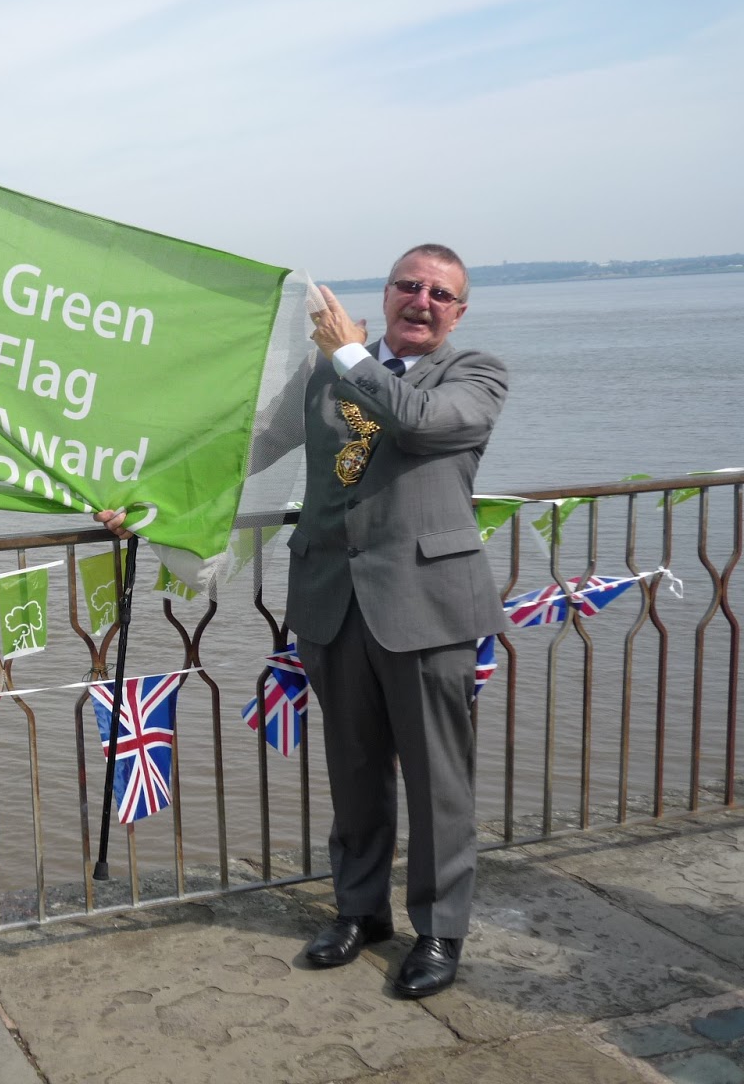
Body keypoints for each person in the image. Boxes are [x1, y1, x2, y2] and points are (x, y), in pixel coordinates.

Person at [99, 243, 506, 999]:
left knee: (437, 781)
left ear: (459, 311)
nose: (421, 301)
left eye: (439, 293)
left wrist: (349, 348)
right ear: (386, 293)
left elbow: (414, 422)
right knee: (354, 775)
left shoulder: (474, 376)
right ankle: (360, 913)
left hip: (427, 607)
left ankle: (441, 931)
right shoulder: (328, 368)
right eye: (408, 285)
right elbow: (252, 443)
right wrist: (148, 491)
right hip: (330, 598)